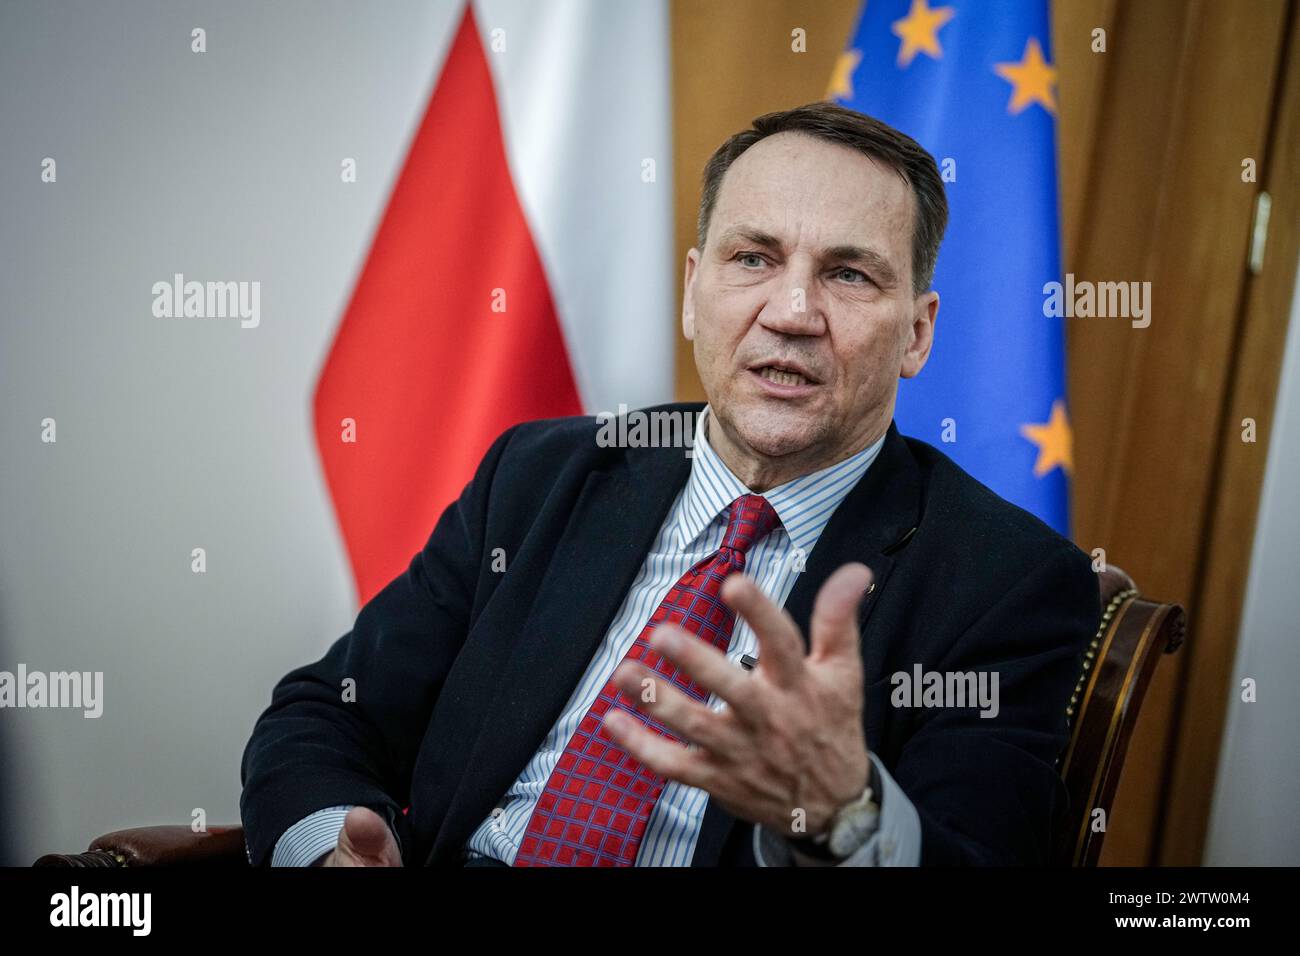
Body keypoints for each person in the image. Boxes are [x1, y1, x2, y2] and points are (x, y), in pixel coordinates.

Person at [240, 101, 1099, 867]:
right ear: (693, 293)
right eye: (754, 258)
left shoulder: (1005, 584)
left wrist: (845, 817)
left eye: (848, 274)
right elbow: (326, 713)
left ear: (916, 333)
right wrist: (331, 846)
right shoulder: (540, 477)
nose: (793, 312)